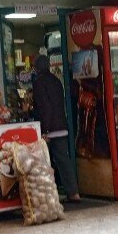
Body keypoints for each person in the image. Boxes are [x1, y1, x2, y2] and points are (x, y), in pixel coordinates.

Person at [31, 54, 80, 202]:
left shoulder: (39, 83)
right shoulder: (56, 81)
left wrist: (44, 130)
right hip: (61, 125)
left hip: (49, 128)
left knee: (44, 162)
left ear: (37, 68)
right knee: (63, 160)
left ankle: (49, 196)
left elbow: (45, 107)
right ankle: (74, 193)